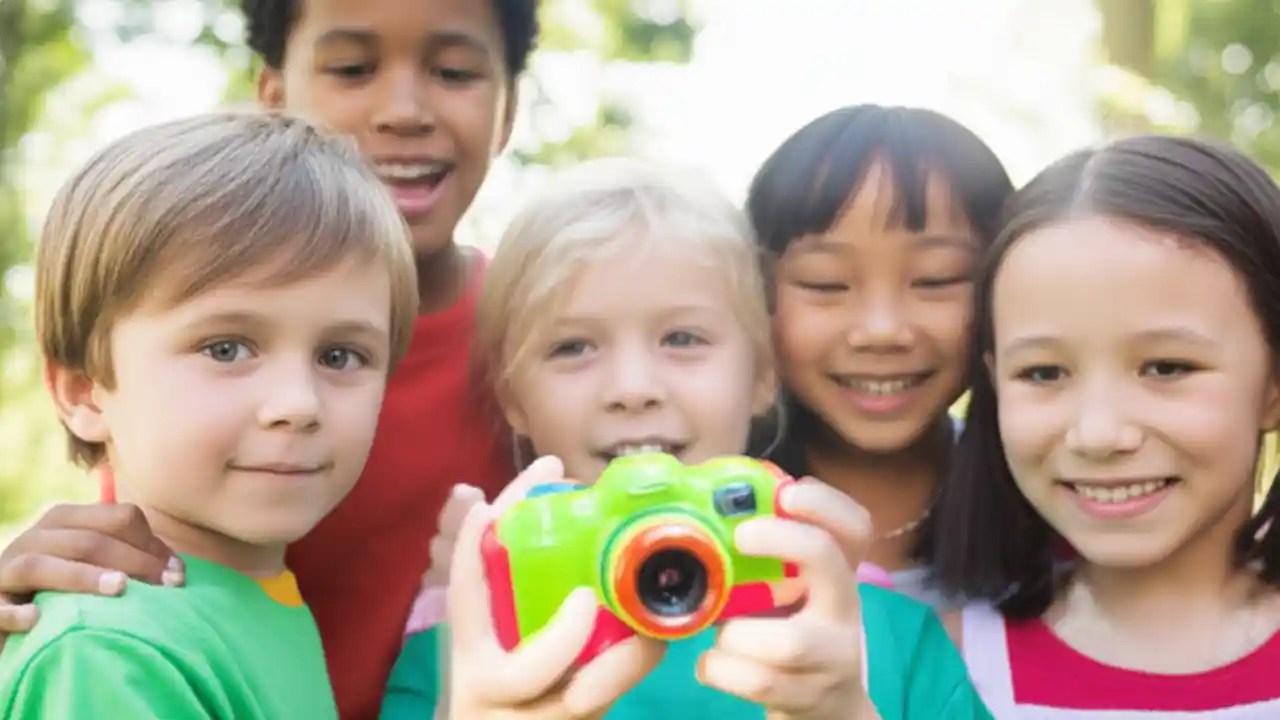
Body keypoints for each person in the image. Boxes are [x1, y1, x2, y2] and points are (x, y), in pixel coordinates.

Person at [0, 2, 538, 715]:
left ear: (509, 111)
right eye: (352, 67)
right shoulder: (117, 643)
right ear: (274, 95)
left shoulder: (548, 340)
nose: (404, 109)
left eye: (453, 71)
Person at [389, 159, 994, 719]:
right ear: (514, 396)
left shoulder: (882, 637)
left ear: (762, 374)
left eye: (682, 339)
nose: (632, 388)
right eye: (572, 347)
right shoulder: (464, 646)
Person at [0, 111, 418, 718]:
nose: (298, 404)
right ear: (86, 392)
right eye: (225, 348)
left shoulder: (253, 596)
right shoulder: (109, 653)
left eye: (340, 355)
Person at [929, 135, 1280, 715]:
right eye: (1043, 373)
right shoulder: (937, 669)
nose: (1097, 434)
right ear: (992, 382)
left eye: (1167, 368)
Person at [747, 104, 1013, 605]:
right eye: (826, 284)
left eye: (936, 279)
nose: (881, 331)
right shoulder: (698, 524)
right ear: (755, 294)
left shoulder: (1065, 530)